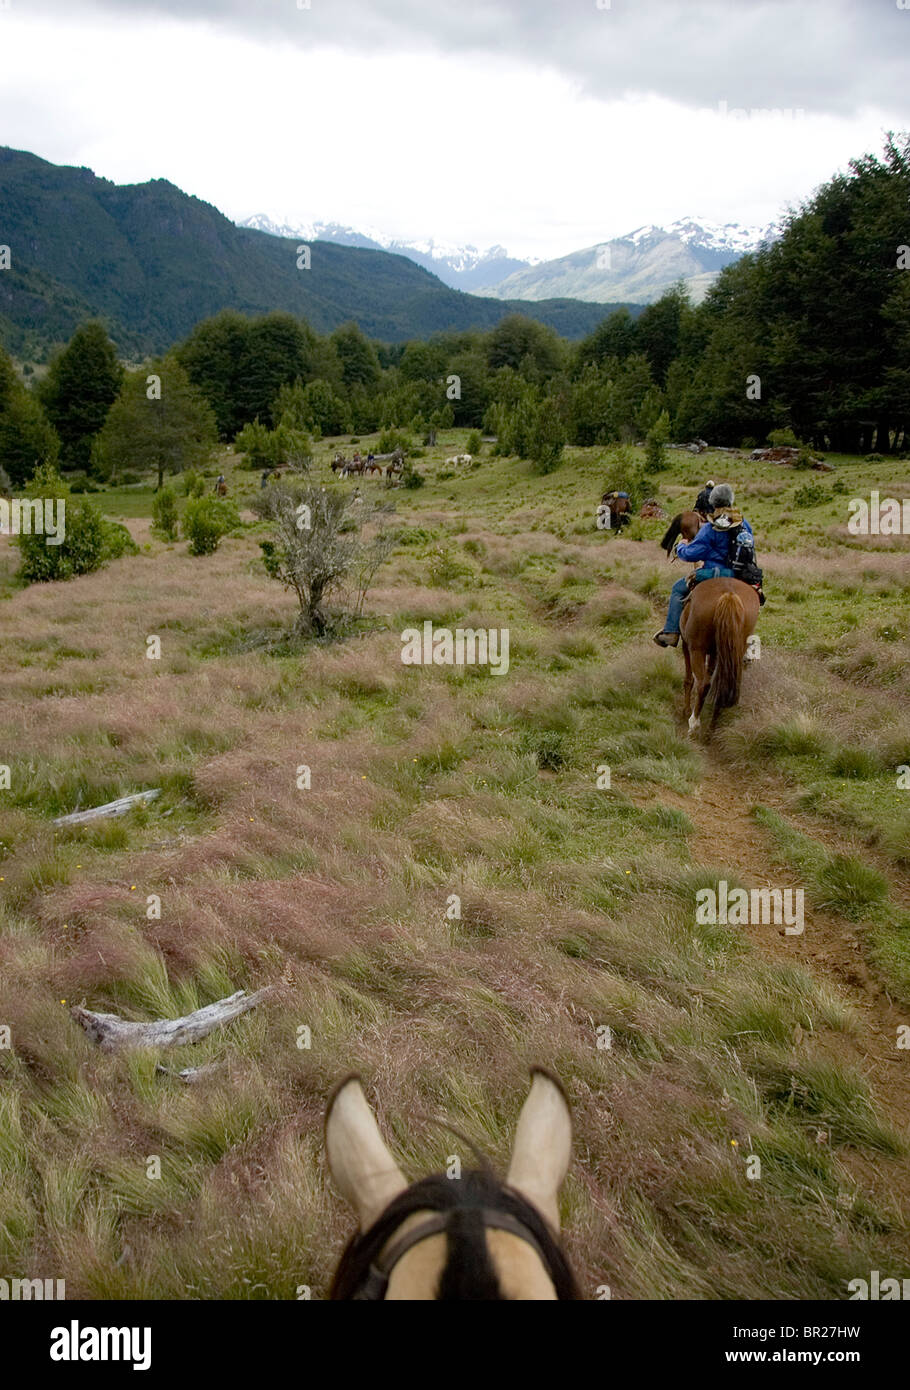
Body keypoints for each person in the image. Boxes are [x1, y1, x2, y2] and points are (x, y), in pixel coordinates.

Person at [653, 483, 753, 647]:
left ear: (713, 503)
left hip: (712, 574)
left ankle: (671, 632)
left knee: (678, 589)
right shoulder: (744, 524)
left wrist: (682, 546)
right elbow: (750, 547)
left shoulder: (709, 527)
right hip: (739, 575)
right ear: (730, 501)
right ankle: (749, 644)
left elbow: (693, 554)